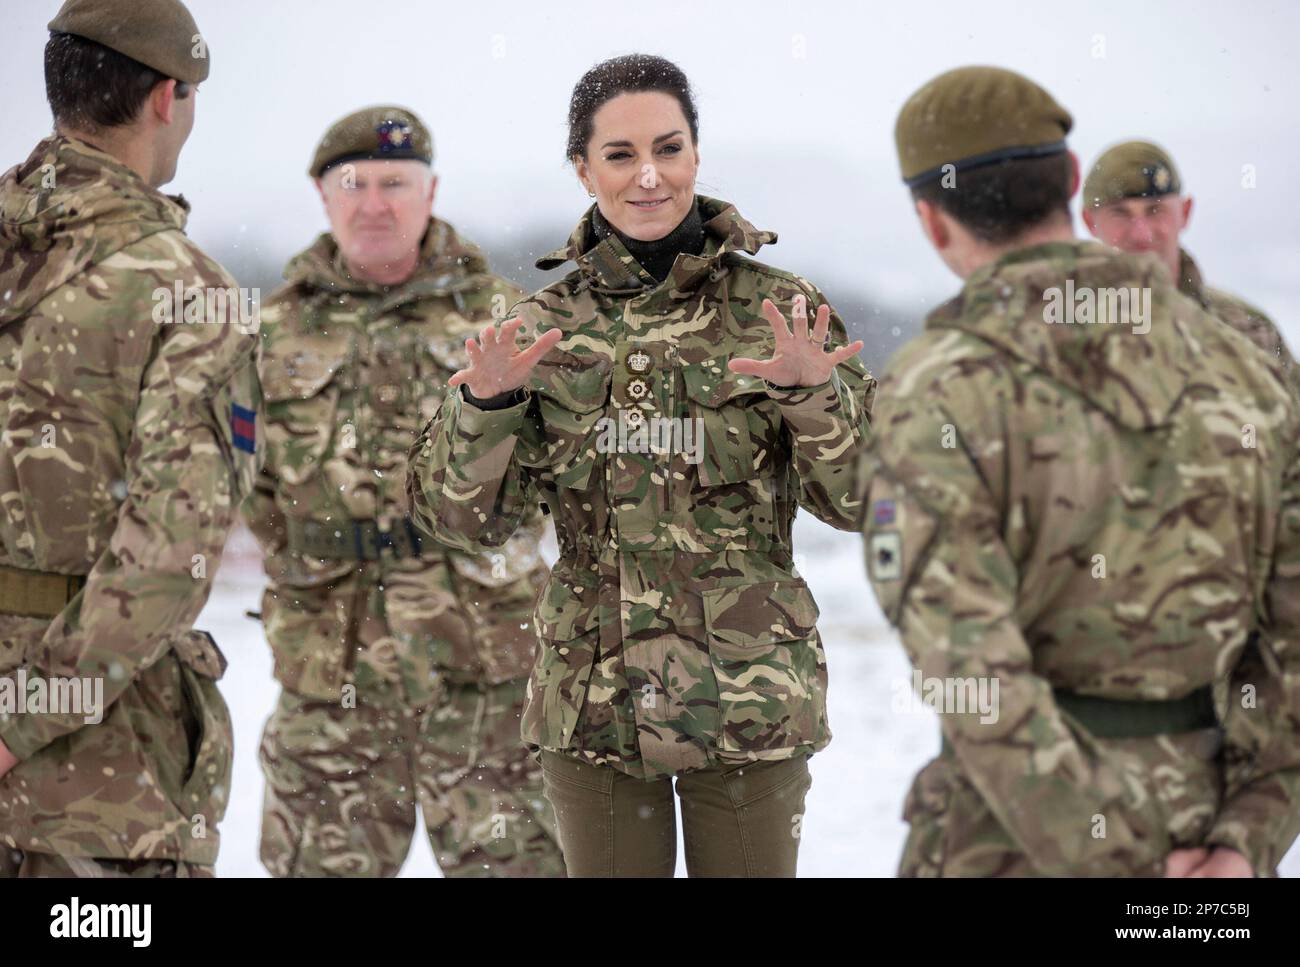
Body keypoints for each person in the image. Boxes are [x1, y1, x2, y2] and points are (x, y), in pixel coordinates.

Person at [407, 54, 875, 877]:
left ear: (698, 153)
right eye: (620, 155)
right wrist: (484, 411)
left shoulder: (779, 311)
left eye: (670, 147)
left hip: (750, 696)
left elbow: (862, 498)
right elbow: (462, 523)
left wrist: (813, 394)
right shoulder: (535, 332)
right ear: (583, 169)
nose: (649, 175)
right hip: (595, 708)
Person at [858, 65, 1300, 877]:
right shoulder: (1250, 371)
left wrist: (1114, 855)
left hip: (1018, 840)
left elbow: (969, 670)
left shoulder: (939, 389)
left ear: (930, 219)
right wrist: (1248, 836)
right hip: (1209, 835)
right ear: (1071, 181)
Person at [244, 106, 565, 877]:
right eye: (353, 184)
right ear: (323, 196)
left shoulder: (508, 319)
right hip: (331, 682)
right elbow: (243, 487)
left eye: (396, 182)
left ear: (432, 191)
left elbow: (561, 478)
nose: (375, 203)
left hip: (492, 677)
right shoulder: (270, 332)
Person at [0, 0, 260, 877]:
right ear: (167, 97)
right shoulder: (188, 291)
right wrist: (18, 725)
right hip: (101, 791)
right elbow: (167, 555)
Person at [1082, 139, 1297, 388]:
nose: (1141, 234)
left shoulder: (1248, 331)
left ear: (1185, 213)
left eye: (1155, 210)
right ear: (1090, 222)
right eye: (1120, 213)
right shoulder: (1060, 331)